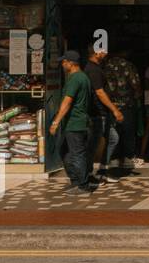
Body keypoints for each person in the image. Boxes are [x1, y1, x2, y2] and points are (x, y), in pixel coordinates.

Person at [48, 51, 93, 195]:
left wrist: (56, 122)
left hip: (75, 123)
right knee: (65, 152)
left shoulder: (75, 78)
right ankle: (75, 181)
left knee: (77, 154)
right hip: (76, 122)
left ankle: (83, 186)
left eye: (64, 62)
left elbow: (67, 102)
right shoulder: (82, 77)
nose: (62, 64)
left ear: (71, 63)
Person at [84, 45, 123, 185]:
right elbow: (100, 92)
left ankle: (102, 171)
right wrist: (115, 110)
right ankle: (88, 175)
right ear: (95, 53)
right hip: (97, 113)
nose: (105, 53)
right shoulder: (93, 70)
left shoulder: (95, 68)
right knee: (93, 145)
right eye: (102, 51)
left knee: (112, 139)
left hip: (101, 113)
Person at [103, 49, 143, 177]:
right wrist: (137, 96)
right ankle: (126, 163)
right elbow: (136, 84)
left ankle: (113, 163)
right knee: (128, 134)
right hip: (126, 105)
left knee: (113, 135)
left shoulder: (106, 66)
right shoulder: (128, 65)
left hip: (110, 105)